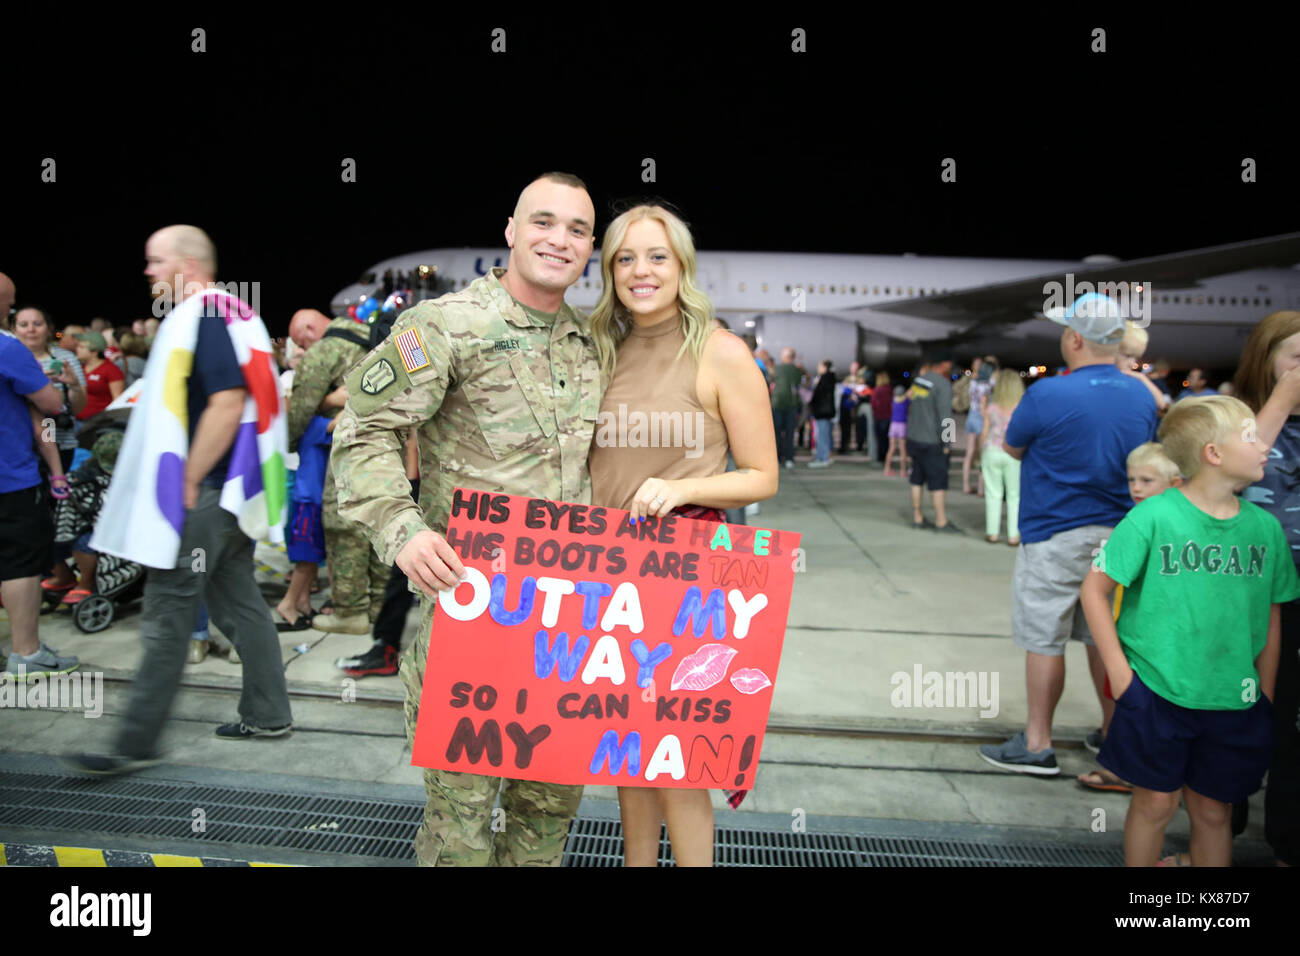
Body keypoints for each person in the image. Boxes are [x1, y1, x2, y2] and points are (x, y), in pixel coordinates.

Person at [330, 172, 601, 866]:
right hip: (474, 625)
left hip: (570, 633)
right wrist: (404, 527)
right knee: (462, 833)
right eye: (543, 221)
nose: (558, 239)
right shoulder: (445, 325)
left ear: (590, 247)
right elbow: (361, 428)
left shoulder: (594, 343)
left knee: (547, 823)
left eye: (576, 229)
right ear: (510, 230)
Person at [587, 203, 778, 867]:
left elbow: (762, 476)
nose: (642, 271)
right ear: (609, 269)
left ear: (682, 267)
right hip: (606, 574)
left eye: (657, 256)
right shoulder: (595, 346)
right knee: (626, 751)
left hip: (687, 577)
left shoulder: (721, 353)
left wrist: (685, 488)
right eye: (625, 258)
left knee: (677, 758)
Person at [71, 225, 293, 774]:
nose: (147, 271)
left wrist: (188, 480)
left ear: (187, 266)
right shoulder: (233, 314)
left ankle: (134, 744)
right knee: (238, 603)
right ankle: (268, 713)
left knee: (167, 612)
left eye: (155, 261)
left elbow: (226, 402)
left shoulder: (206, 315)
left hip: (206, 494)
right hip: (231, 492)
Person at [1081, 396, 1299, 865]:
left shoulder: (1265, 529)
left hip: (1232, 702)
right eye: (1249, 436)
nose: (1264, 444)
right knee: (1155, 803)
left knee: (1214, 812)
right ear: (1212, 454)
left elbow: (1273, 616)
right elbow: (1093, 592)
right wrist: (1122, 677)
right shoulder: (1153, 517)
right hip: (1157, 693)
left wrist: (1265, 693)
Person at [979, 293, 1158, 775]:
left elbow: (1013, 448)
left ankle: (1038, 744)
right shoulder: (1140, 394)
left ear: (1075, 338)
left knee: (1045, 638)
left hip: (1056, 533)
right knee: (1104, 638)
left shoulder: (1048, 393)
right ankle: (1114, 738)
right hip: (1121, 535)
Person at [1076, 441, 1181, 794]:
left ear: (1176, 483)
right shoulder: (1135, 523)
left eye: (1147, 480)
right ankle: (1126, 767)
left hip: (1155, 640)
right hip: (1129, 632)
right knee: (1128, 706)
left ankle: (1135, 773)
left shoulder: (1159, 525)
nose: (1135, 487)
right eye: (1132, 479)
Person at [1234, 309, 1300, 867]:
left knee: (1291, 723)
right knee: (1231, 716)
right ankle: (1218, 835)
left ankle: (1286, 841)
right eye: (1297, 358)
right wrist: (1281, 400)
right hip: (1240, 597)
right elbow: (1234, 473)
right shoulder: (1234, 421)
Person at [285, 307, 389, 634]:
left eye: (302, 341)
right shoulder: (376, 339)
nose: (302, 349)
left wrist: (289, 440)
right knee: (382, 523)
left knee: (343, 523)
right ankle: (379, 606)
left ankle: (350, 612)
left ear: (310, 328)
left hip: (350, 449)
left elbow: (301, 407)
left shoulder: (327, 350)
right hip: (390, 449)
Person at [1, 325, 78, 679]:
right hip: (12, 480)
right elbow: (47, 413)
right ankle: (27, 654)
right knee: (21, 564)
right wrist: (57, 472)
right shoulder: (10, 352)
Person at [10, 307, 87, 472]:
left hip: (61, 442)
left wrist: (73, 385)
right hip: (18, 445)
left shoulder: (66, 358)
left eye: (37, 323)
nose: (31, 329)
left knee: (55, 494)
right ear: (14, 330)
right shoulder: (8, 359)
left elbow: (78, 409)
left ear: (48, 328)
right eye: (24, 324)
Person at [905, 354, 956, 530]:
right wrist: (948, 442)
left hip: (913, 438)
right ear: (944, 363)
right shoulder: (943, 384)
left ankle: (917, 517)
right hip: (931, 441)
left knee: (916, 479)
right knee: (937, 482)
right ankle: (941, 521)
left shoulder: (919, 381)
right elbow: (946, 417)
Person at [980, 369, 1023, 545]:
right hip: (1012, 452)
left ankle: (993, 533)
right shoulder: (1021, 407)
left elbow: (984, 431)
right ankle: (1013, 535)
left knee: (993, 493)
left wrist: (979, 452)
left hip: (991, 450)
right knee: (1014, 495)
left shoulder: (991, 407)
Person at [71, 330, 125, 422]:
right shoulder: (79, 368)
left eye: (81, 347)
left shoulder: (111, 370)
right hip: (77, 422)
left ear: (95, 351)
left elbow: (117, 400)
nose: (77, 349)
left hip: (99, 424)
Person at [1116, 324, 1170, 413]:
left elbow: (1163, 405)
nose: (1132, 363)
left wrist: (1142, 378)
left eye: (1135, 358)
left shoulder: (1136, 380)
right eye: (1127, 356)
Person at [962, 356, 995, 495]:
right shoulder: (988, 384)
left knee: (969, 453)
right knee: (983, 454)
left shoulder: (972, 383)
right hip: (982, 417)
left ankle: (966, 485)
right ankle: (981, 488)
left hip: (971, 415)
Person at [770, 347, 801, 469]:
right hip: (792, 405)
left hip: (777, 404)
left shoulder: (777, 369)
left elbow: (772, 382)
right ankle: (789, 458)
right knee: (790, 433)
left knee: (776, 433)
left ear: (785, 356)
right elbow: (799, 382)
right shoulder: (796, 370)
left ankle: (777, 458)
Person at [808, 360, 836, 467]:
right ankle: (823, 457)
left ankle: (823, 458)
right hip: (825, 411)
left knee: (822, 435)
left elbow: (819, 395)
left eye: (820, 366)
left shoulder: (824, 379)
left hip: (823, 411)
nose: (818, 368)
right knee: (824, 435)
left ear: (825, 367)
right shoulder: (829, 378)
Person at [884, 384, 909, 476]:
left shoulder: (893, 401)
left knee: (891, 448)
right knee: (903, 449)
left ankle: (887, 469)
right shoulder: (906, 401)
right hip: (902, 425)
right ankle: (903, 471)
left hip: (893, 425)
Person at [871, 371, 893, 464]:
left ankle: (880, 458)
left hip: (879, 416)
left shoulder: (876, 390)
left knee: (879, 439)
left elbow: (873, 403)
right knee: (886, 440)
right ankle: (886, 458)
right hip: (888, 417)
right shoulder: (890, 390)